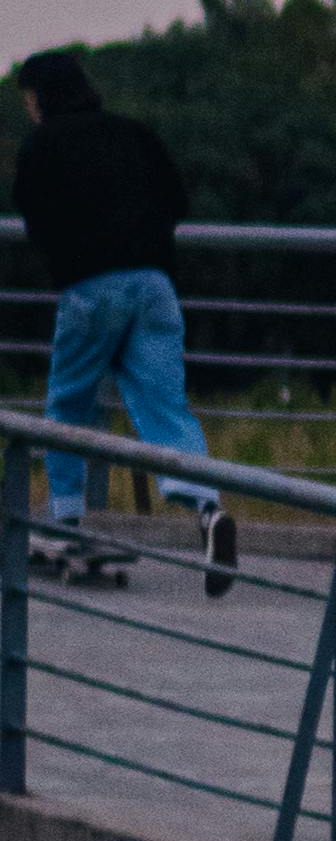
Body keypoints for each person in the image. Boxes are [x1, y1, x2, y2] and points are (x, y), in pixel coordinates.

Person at [9, 50, 233, 592]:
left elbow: (31, 210)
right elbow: (176, 198)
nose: (28, 109)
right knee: (164, 407)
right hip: (154, 284)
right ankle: (208, 509)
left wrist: (68, 255)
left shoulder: (45, 144)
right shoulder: (131, 133)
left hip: (92, 285)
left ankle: (66, 520)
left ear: (41, 96)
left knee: (67, 405)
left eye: (28, 99)